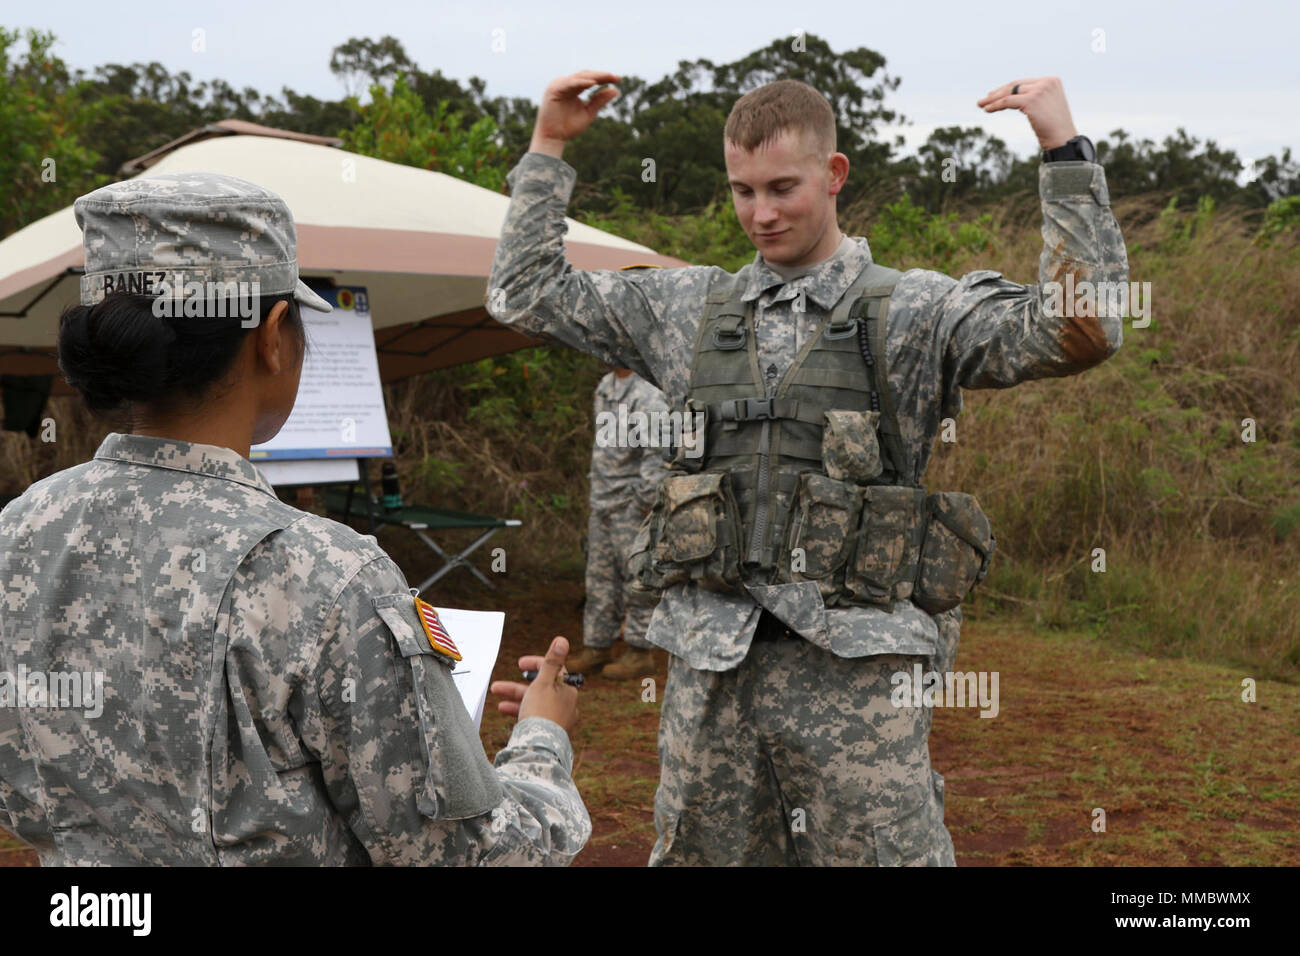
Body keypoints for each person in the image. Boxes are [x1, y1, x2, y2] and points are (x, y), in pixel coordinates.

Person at [488, 71, 1127, 865]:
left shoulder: (915, 312)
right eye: (742, 191)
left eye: (783, 188)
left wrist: (1063, 151)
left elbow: (1084, 328)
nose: (761, 214)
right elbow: (523, 294)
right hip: (711, 676)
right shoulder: (685, 308)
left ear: (834, 175)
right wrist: (548, 144)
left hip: (859, 682)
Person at [0, 172, 590, 866]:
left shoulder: (18, 532)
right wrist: (544, 742)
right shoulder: (327, 577)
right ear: (273, 336)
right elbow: (468, 855)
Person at [569, 367, 670, 680]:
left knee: (637, 576)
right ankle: (597, 646)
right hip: (602, 501)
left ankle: (639, 651)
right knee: (599, 578)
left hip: (631, 503)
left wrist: (644, 503)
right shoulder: (606, 386)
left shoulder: (650, 394)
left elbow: (658, 455)